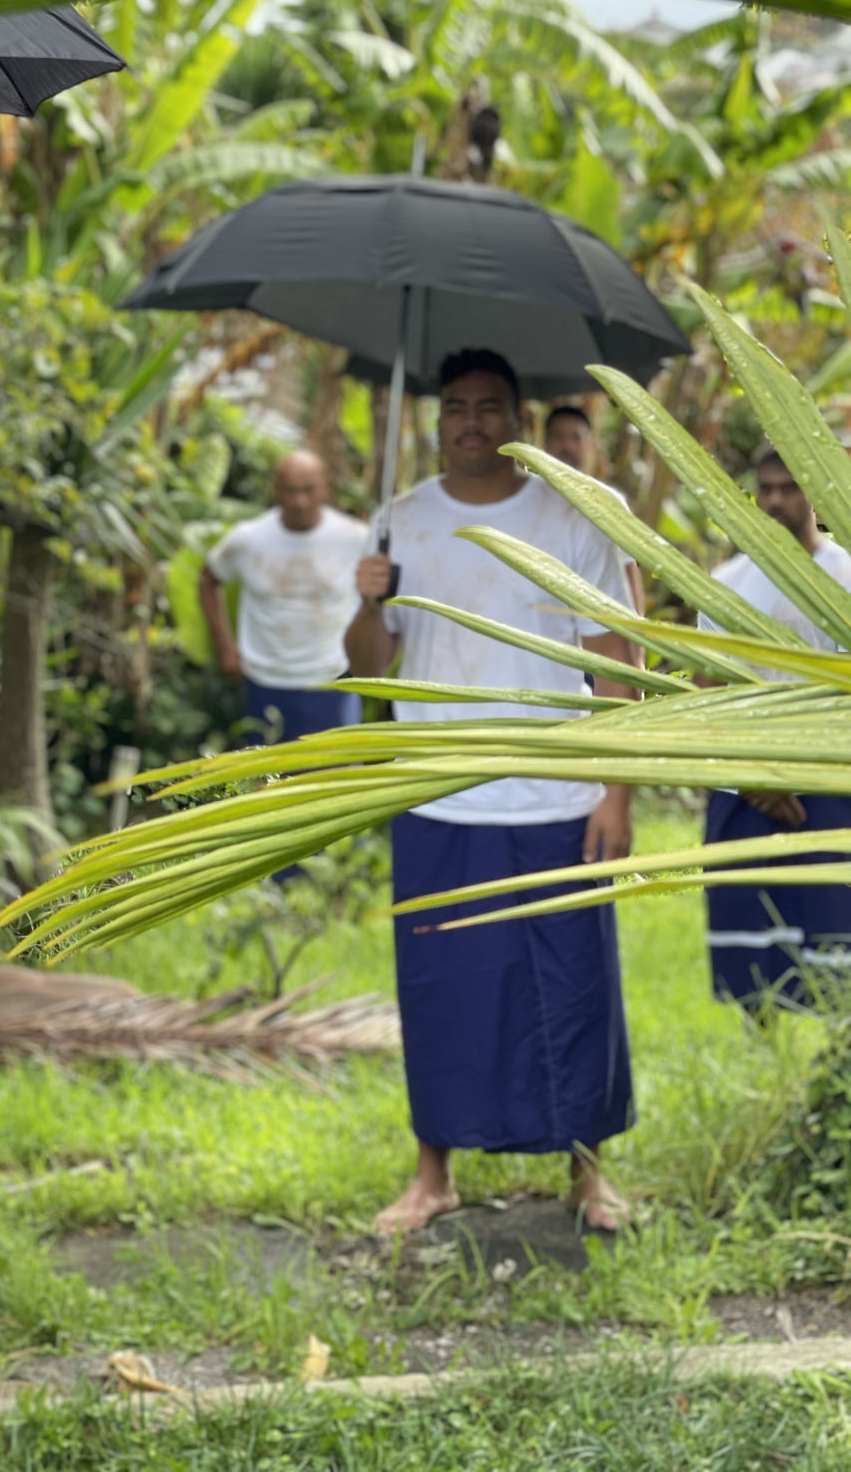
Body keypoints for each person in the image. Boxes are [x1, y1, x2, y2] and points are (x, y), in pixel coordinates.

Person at [346, 349, 638, 1236]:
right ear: (436, 422)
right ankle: (434, 1172)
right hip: (440, 795)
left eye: (490, 407)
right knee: (441, 984)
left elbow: (617, 665)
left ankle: (587, 1172)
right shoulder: (399, 523)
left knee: (572, 981)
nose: (472, 422)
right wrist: (368, 603)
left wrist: (616, 790)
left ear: (518, 418)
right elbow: (370, 669)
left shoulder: (571, 517)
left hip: (558, 796)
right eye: (456, 408)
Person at [700, 444, 851, 1009]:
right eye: (765, 489)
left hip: (834, 790)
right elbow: (707, 697)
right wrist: (753, 778)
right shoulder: (725, 583)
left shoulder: (845, 575)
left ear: (815, 491)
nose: (775, 501)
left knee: (834, 959)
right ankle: (766, 1071)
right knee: (751, 962)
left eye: (788, 488)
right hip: (745, 792)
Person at [199, 449, 368, 740]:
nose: (299, 501)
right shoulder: (248, 538)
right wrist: (224, 645)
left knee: (330, 780)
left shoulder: (354, 538)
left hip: (330, 683)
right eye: (290, 491)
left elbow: (380, 594)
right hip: (263, 681)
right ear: (275, 490)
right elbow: (207, 580)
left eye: (308, 490)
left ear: (325, 487)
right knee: (264, 782)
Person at [543, 404, 644, 614]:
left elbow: (629, 578)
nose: (566, 446)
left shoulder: (609, 502)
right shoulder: (524, 500)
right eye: (558, 437)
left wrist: (639, 639)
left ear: (590, 443)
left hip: (594, 634)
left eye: (575, 438)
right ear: (544, 442)